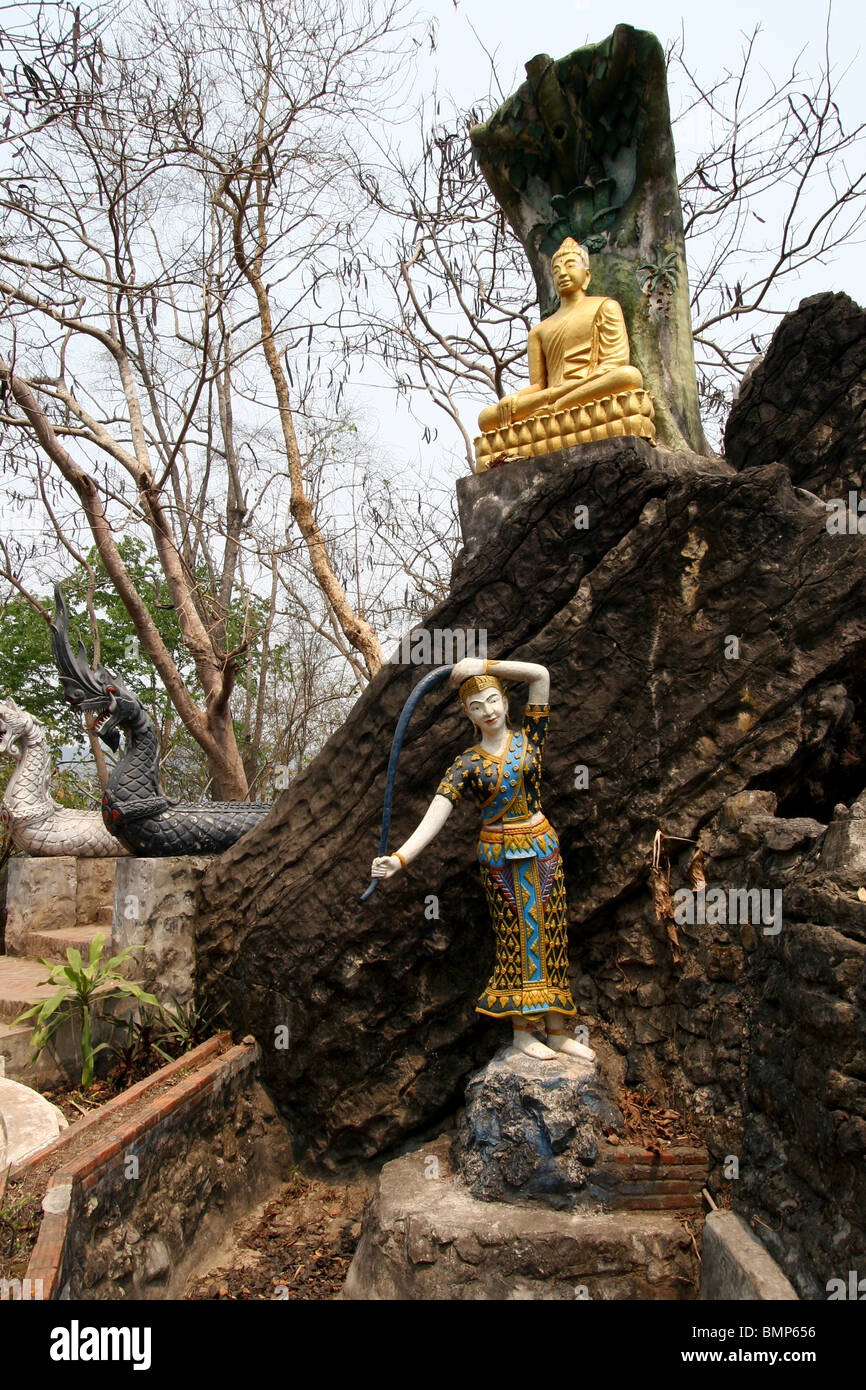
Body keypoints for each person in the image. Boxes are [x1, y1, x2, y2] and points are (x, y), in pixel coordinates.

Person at [371, 657, 595, 1062]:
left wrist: (483, 663)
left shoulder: (531, 739)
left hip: (543, 848)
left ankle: (558, 1028)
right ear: (467, 715)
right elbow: (437, 812)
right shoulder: (467, 763)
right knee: (515, 939)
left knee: (551, 936)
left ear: (507, 702)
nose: (487, 711)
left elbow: (541, 674)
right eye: (476, 707)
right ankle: (523, 1031)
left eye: (493, 700)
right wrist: (400, 858)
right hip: (500, 857)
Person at [477, 237, 643, 436]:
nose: (562, 273)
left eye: (570, 266)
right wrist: (513, 399)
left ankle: (555, 410)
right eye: (556, 271)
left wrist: (563, 396)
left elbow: (614, 364)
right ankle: (554, 411)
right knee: (486, 418)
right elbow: (539, 386)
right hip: (553, 396)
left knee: (628, 376)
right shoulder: (539, 331)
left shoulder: (605, 306)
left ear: (587, 276)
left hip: (588, 389)